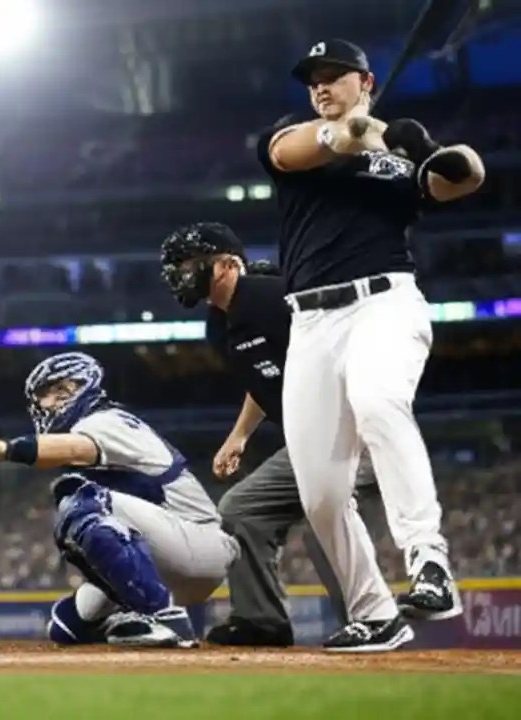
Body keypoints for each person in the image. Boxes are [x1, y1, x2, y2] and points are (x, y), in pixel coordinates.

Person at [257, 39, 485, 651]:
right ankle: (375, 613)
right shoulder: (295, 133)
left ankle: (429, 563)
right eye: (314, 80)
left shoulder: (401, 144)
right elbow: (287, 151)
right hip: (310, 324)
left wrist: (432, 149)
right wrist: (345, 134)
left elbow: (461, 180)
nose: (321, 88)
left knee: (380, 400)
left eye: (334, 78)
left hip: (383, 303)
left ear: (366, 80)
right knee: (322, 494)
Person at [160, 221, 388, 647]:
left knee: (327, 510)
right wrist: (239, 435)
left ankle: (371, 622)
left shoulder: (272, 297)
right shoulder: (219, 324)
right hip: (311, 440)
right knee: (241, 509)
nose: (181, 274)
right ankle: (261, 621)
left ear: (228, 265)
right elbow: (265, 381)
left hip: (359, 426)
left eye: (191, 264)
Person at [0, 353, 239, 647]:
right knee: (67, 628)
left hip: (196, 542)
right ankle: (134, 615)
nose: (45, 403)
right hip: (169, 556)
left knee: (78, 500)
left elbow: (74, 449)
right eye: (42, 395)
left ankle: (163, 618)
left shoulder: (106, 420)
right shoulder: (97, 423)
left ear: (80, 387)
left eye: (55, 390)